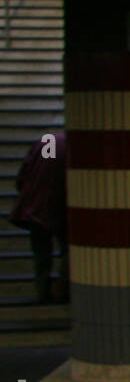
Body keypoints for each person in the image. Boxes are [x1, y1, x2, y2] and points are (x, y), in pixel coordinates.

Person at [9, 130, 67, 303]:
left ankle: (43, 292)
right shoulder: (72, 146)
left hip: (37, 208)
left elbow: (25, 173)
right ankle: (63, 289)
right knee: (70, 251)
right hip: (62, 208)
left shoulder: (49, 140)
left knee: (42, 254)